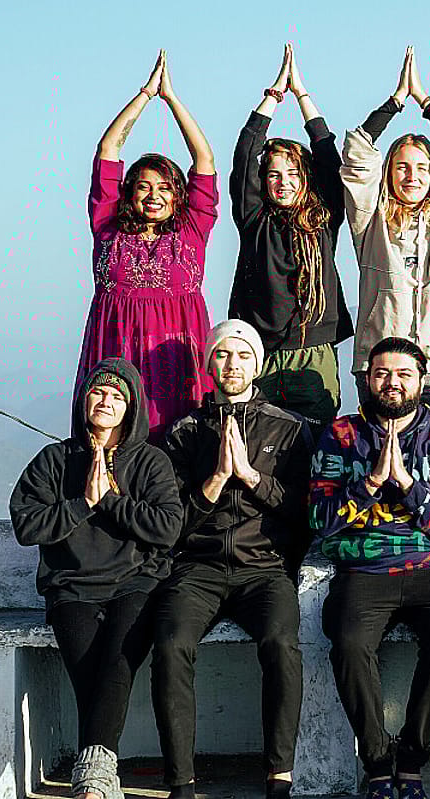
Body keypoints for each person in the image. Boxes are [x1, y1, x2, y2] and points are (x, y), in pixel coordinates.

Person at [155, 320, 313, 799]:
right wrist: (217, 480)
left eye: (243, 355)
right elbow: (171, 525)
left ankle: (279, 777)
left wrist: (251, 476)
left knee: (281, 646)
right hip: (197, 570)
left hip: (264, 570)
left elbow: (306, 511)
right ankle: (181, 783)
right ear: (209, 363)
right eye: (223, 354)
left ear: (257, 365)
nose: (232, 365)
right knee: (171, 646)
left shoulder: (288, 428)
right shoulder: (185, 432)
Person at [11, 358, 183, 799]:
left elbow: (167, 528)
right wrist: (82, 504)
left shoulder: (151, 462)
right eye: (98, 392)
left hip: (136, 583)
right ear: (83, 400)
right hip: (72, 587)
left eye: (117, 396)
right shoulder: (55, 460)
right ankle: (101, 776)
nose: (106, 401)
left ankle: (91, 781)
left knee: (118, 661)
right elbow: (26, 526)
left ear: (132, 407)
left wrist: (110, 501)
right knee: (89, 672)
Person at [309, 336, 430, 799]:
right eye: (381, 374)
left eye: (403, 374)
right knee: (349, 642)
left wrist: (407, 485)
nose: (392, 383)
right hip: (365, 570)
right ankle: (378, 761)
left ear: (421, 381)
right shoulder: (342, 435)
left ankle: (412, 760)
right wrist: (372, 482)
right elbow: (320, 520)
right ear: (367, 380)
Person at [78, 50, 217, 442]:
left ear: (178, 196)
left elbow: (204, 158)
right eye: (144, 187)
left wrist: (171, 99)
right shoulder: (107, 227)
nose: (154, 196)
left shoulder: (192, 230)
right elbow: (108, 151)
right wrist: (144, 95)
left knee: (180, 447)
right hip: (116, 350)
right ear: (129, 194)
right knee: (112, 443)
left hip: (178, 360)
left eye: (165, 188)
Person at [342, 48, 430, 421]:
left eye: (421, 167)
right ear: (389, 172)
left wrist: (427, 103)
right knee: (376, 445)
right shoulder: (370, 219)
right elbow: (357, 152)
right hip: (379, 358)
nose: (412, 176)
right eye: (402, 167)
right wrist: (396, 102)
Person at [228, 44, 353, 432]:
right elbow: (245, 156)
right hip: (260, 354)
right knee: (259, 445)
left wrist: (302, 95)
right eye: (274, 175)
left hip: (314, 351)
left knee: (316, 445)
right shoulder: (254, 219)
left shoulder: (323, 218)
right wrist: (273, 96)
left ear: (306, 179)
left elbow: (328, 157)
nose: (284, 183)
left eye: (294, 174)